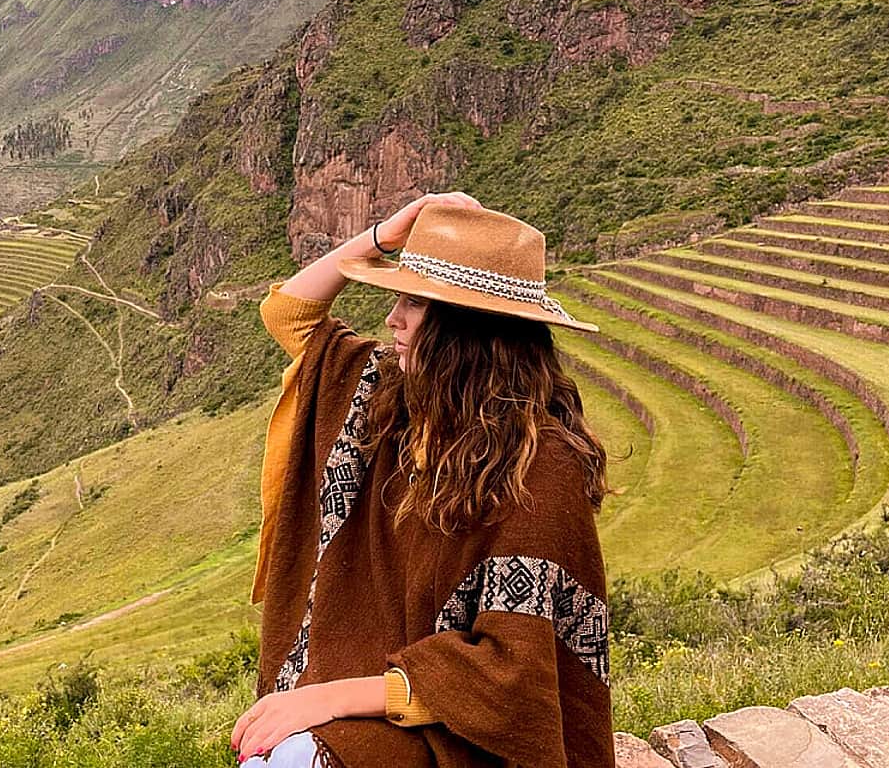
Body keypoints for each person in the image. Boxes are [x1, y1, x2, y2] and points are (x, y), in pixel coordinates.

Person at [233, 192, 614, 767]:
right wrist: (388, 233)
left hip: (466, 733)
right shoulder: (389, 401)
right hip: (384, 700)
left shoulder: (539, 470)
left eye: (415, 303)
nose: (393, 319)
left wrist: (330, 698)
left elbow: (508, 674)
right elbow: (288, 312)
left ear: (469, 327)